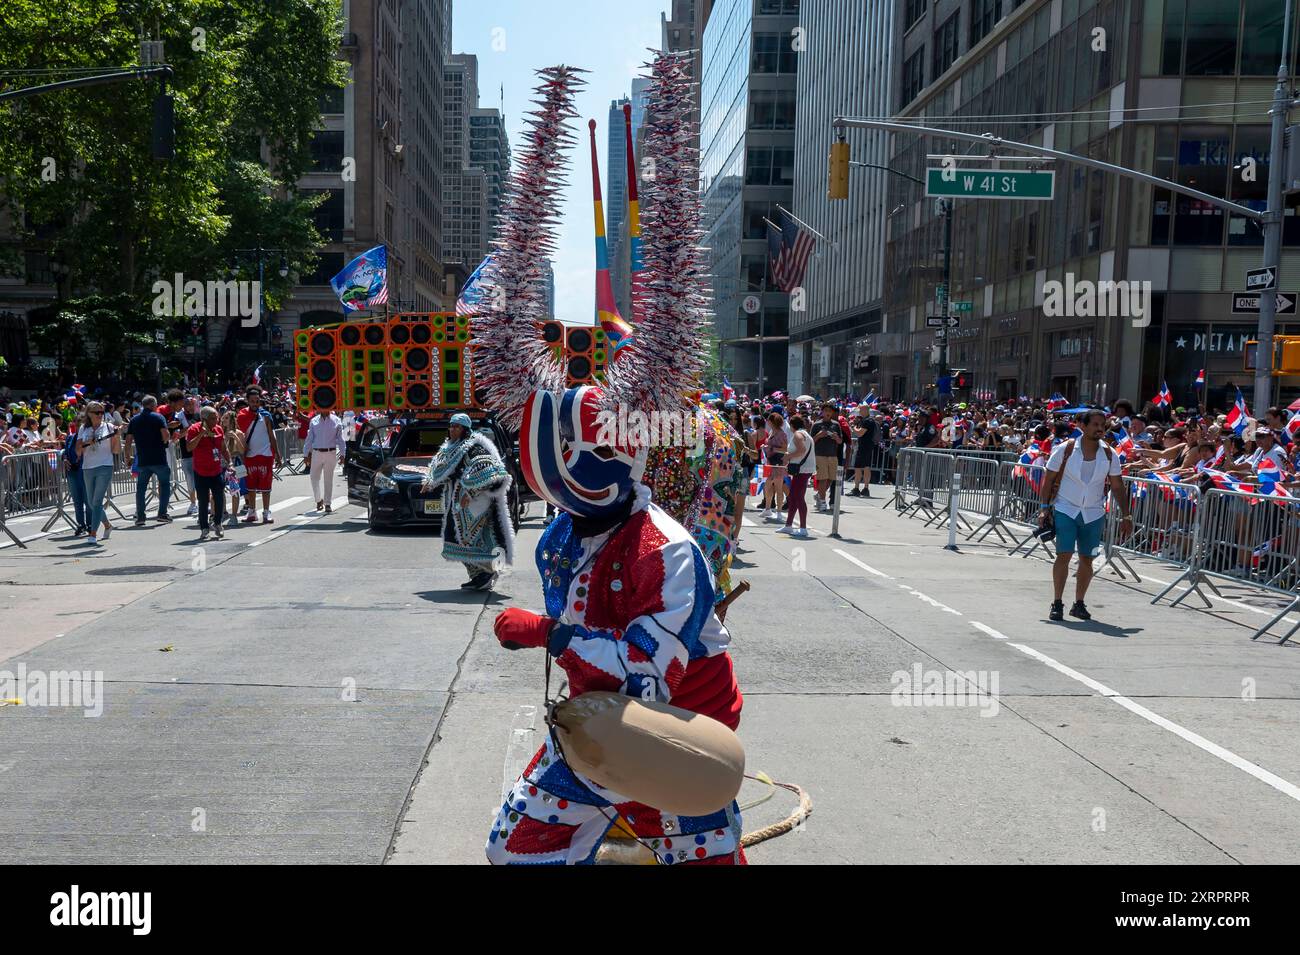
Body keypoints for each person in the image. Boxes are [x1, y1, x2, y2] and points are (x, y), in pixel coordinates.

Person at [1039, 409, 1132, 621]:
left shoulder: (1109, 453)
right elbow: (1049, 479)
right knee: (1063, 555)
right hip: (1066, 509)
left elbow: (1117, 486)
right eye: (1096, 424)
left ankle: (1079, 603)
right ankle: (1057, 602)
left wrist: (1127, 516)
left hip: (1094, 514)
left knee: (1087, 559)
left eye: (1103, 425)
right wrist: (1044, 507)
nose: (1100, 428)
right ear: (1083, 426)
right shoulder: (1065, 449)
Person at [421, 413, 514, 591]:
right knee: (454, 538)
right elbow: (440, 469)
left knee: (473, 539)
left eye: (457, 426)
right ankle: (477, 575)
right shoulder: (450, 447)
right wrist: (430, 482)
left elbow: (492, 472)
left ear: (465, 429)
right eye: (451, 426)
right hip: (456, 503)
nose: (453, 429)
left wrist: (471, 491)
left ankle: (487, 572)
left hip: (473, 503)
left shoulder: (473, 447)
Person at [76, 401, 121, 545]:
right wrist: (88, 441)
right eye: (97, 412)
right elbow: (78, 450)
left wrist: (116, 436)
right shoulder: (84, 428)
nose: (100, 415)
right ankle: (107, 525)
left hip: (105, 466)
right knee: (91, 502)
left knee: (96, 501)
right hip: (88, 467)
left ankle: (93, 533)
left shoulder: (108, 427)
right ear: (89, 413)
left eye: (102, 412)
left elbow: (115, 450)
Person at [123, 395, 172, 526]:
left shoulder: (134, 420)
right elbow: (166, 435)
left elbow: (128, 441)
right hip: (159, 457)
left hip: (143, 459)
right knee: (165, 484)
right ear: (153, 405)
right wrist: (165, 440)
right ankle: (162, 513)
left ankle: (140, 517)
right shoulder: (158, 417)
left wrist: (127, 457)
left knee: (141, 488)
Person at [236, 386, 280, 524]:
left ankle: (266, 512)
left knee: (266, 486)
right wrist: (241, 448)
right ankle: (252, 512)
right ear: (248, 401)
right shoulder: (241, 416)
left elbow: (272, 436)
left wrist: (277, 454)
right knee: (250, 486)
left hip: (265, 455)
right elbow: (238, 435)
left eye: (257, 401)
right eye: (252, 401)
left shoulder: (266, 416)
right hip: (248, 456)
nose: (255, 403)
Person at [185, 406, 228, 540]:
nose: (216, 420)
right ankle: (204, 528)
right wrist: (201, 434)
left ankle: (218, 523)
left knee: (219, 498)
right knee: (203, 501)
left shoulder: (218, 429)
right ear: (204, 419)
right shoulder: (194, 429)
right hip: (201, 471)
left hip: (216, 470)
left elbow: (223, 448)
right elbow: (189, 447)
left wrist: (230, 462)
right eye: (213, 418)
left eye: (217, 417)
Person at [302, 406, 347, 513]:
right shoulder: (314, 421)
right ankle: (318, 500)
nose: (322, 408)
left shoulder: (336, 420)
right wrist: (305, 454)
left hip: (330, 452)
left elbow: (341, 439)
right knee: (314, 478)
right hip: (316, 452)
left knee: (328, 480)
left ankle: (327, 503)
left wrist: (343, 454)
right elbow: (309, 439)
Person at [778, 413, 814, 538]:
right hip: (803, 469)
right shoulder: (806, 434)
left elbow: (801, 450)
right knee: (794, 497)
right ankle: (788, 525)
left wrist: (788, 456)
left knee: (798, 497)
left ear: (792, 425)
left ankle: (803, 527)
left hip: (801, 470)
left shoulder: (798, 434)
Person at [810, 402, 843, 512]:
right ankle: (823, 502)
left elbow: (840, 441)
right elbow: (811, 441)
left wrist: (836, 437)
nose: (828, 413)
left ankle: (819, 495)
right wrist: (819, 435)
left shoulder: (836, 425)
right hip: (820, 455)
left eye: (830, 411)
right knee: (823, 479)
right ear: (822, 412)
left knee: (831, 478)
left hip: (833, 455)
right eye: (826, 411)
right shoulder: (816, 424)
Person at [61, 411, 89, 536]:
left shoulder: (88, 438)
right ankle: (80, 524)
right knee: (77, 501)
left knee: (88, 500)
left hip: (85, 471)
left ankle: (90, 524)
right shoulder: (70, 437)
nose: (78, 426)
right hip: (72, 472)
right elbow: (65, 452)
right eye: (77, 424)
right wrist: (65, 459)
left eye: (81, 424)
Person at [173, 395, 200, 517]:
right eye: (188, 404)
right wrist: (189, 429)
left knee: (202, 478)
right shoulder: (179, 417)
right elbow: (176, 436)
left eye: (192, 403)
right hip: (186, 453)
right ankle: (193, 503)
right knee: (190, 479)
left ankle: (206, 502)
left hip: (200, 452)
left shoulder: (199, 416)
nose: (191, 406)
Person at [220, 410, 246, 528]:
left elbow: (242, 450)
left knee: (235, 490)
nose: (223, 420)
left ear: (232, 420)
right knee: (218, 489)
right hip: (222, 463)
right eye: (223, 418)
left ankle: (234, 515)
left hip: (236, 463)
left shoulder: (238, 433)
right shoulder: (220, 432)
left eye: (226, 418)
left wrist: (235, 437)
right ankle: (223, 512)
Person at [760, 411, 788, 520]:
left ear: (772, 422)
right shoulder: (772, 431)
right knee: (768, 486)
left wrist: (772, 448)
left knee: (778, 487)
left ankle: (779, 511)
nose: (767, 422)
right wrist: (766, 446)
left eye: (769, 420)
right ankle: (768, 509)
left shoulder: (781, 434)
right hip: (770, 462)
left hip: (778, 463)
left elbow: (784, 449)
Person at [849, 405, 877, 497]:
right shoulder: (868, 420)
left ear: (865, 410)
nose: (859, 411)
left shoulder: (867, 421)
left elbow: (860, 433)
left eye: (861, 409)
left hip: (864, 446)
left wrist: (853, 427)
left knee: (858, 467)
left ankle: (857, 488)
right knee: (866, 467)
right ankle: (865, 488)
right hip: (867, 446)